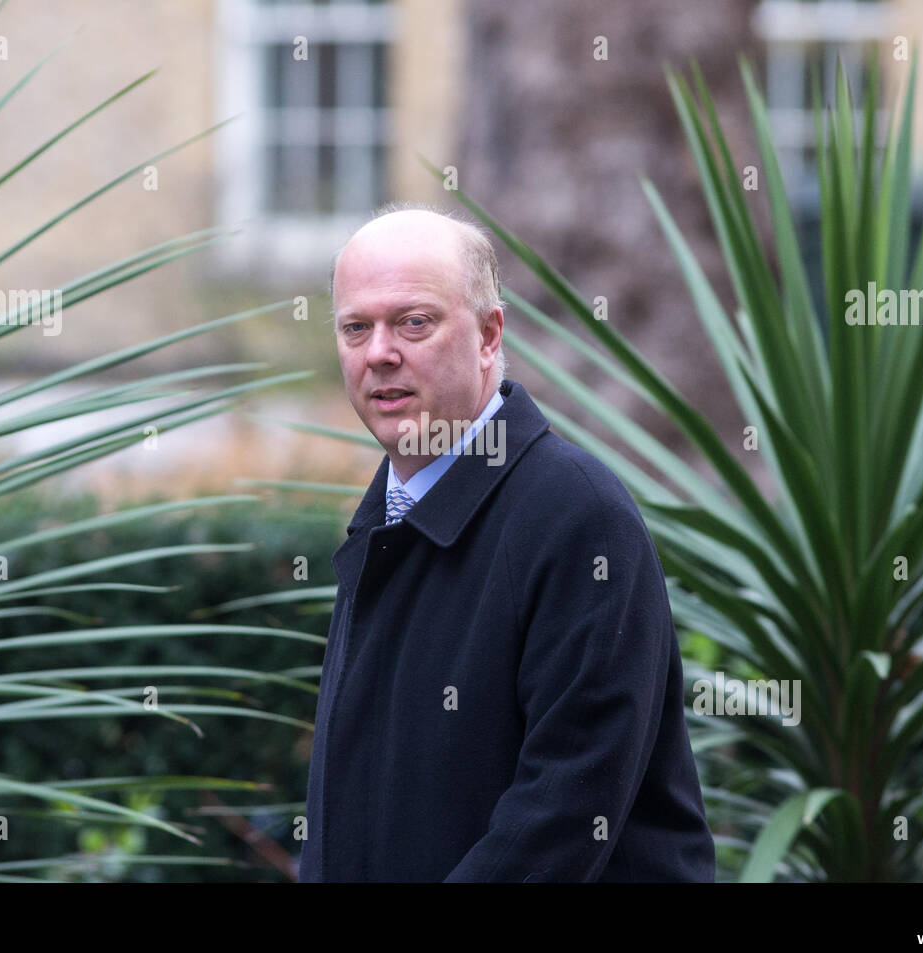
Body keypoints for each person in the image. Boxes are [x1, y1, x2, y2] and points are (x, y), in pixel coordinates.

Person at [299, 202, 715, 882]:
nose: (379, 352)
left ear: (490, 335)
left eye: (414, 321)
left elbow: (565, 814)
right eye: (356, 327)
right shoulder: (385, 517)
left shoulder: (580, 516)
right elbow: (343, 804)